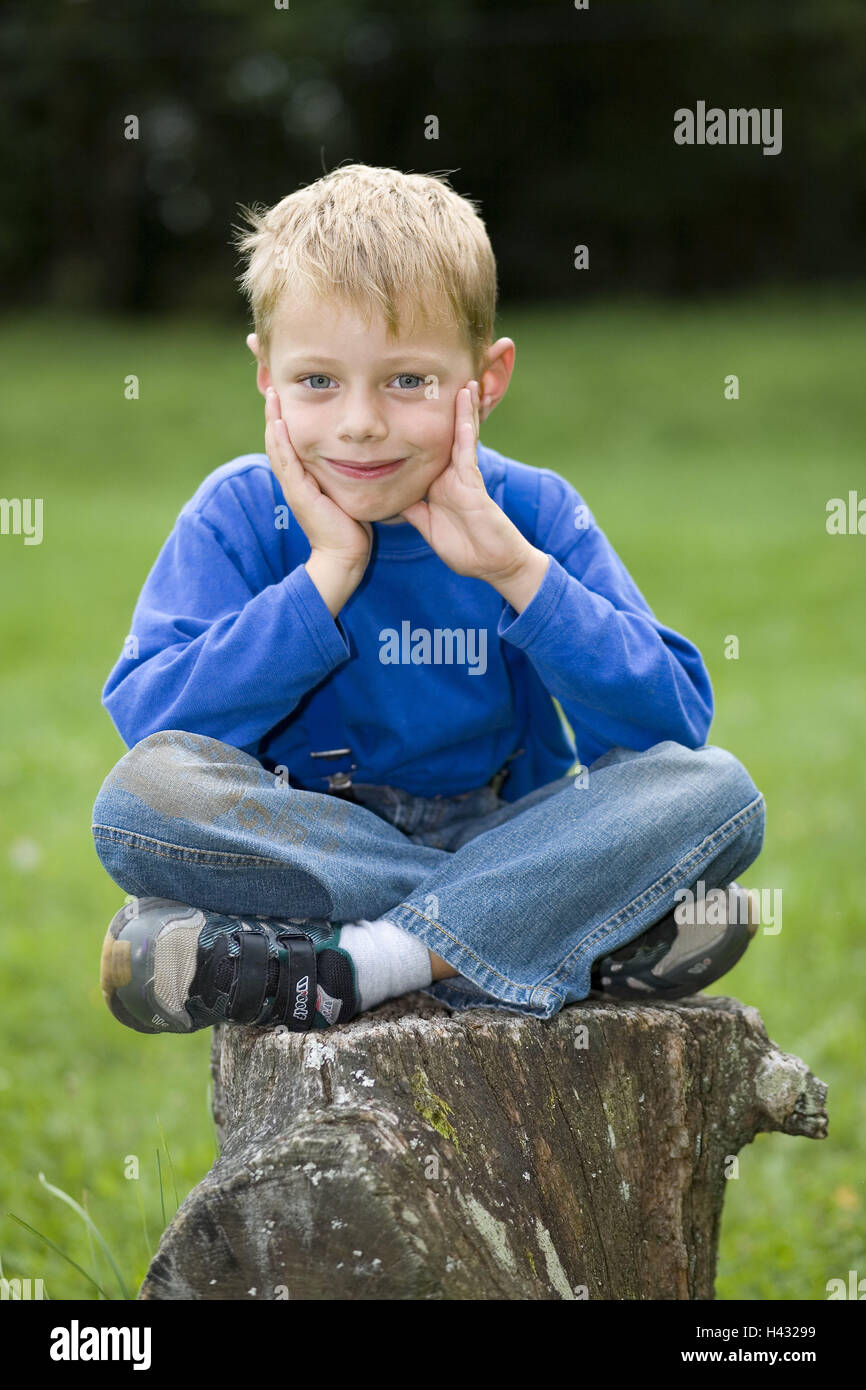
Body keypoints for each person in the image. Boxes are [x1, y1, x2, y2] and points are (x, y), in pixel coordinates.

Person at [91, 163, 766, 1036]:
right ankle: (528, 932)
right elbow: (157, 727)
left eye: (406, 381)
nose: (361, 423)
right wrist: (323, 578)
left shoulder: (530, 514)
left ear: (485, 380)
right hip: (315, 843)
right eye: (318, 382)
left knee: (718, 794)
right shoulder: (239, 512)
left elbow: (665, 730)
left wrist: (520, 573)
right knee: (137, 798)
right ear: (266, 375)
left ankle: (357, 962)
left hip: (506, 829)